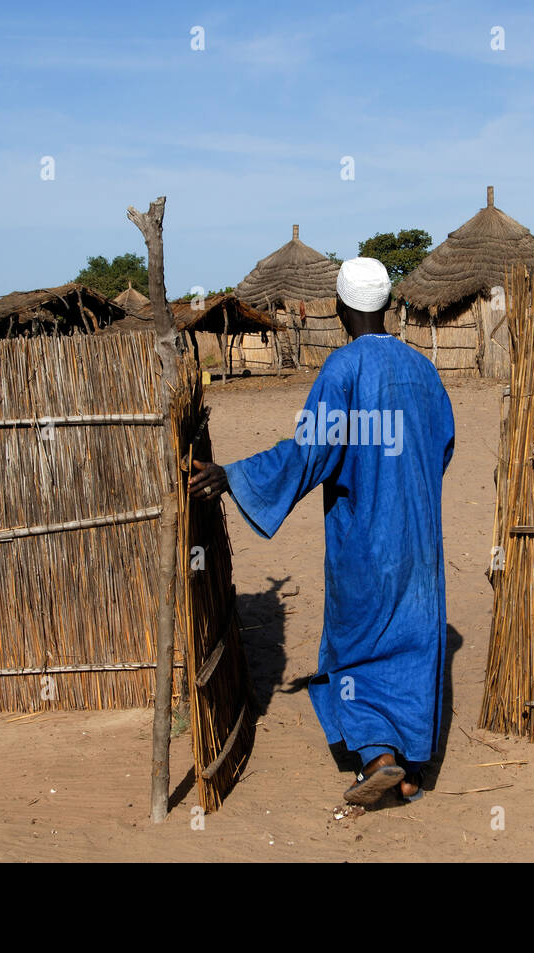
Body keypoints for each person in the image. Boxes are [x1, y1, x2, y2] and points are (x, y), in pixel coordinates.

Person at [188, 257, 455, 806]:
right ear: (386, 307)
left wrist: (234, 475)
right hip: (420, 540)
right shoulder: (424, 370)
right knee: (414, 643)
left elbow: (311, 451)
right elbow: (443, 444)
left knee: (357, 645)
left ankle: (379, 755)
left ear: (339, 308)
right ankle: (410, 771)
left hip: (365, 541)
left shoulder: (343, 369)